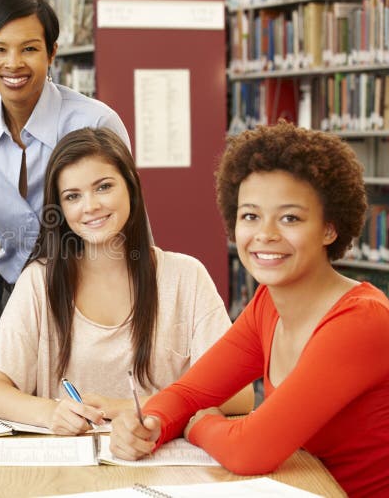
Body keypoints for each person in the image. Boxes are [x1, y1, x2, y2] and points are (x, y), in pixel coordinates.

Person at [109, 122, 389, 497]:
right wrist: (151, 423)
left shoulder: (362, 322)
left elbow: (249, 449)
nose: (265, 234)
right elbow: (189, 392)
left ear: (329, 228)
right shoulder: (267, 306)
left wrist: (198, 426)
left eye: (290, 218)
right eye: (250, 216)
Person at [0, 128, 253, 434]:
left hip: (165, 462)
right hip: (67, 467)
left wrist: (123, 407)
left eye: (104, 187)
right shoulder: (39, 281)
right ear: (61, 209)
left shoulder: (186, 276)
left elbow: (239, 395)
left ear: (131, 186)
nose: (90, 206)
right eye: (73, 196)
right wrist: (50, 412)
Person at [0, 0, 131, 294]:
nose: (13, 63)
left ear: (52, 52)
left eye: (29, 49)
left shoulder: (95, 123)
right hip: (15, 296)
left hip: (97, 291)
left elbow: (131, 230)